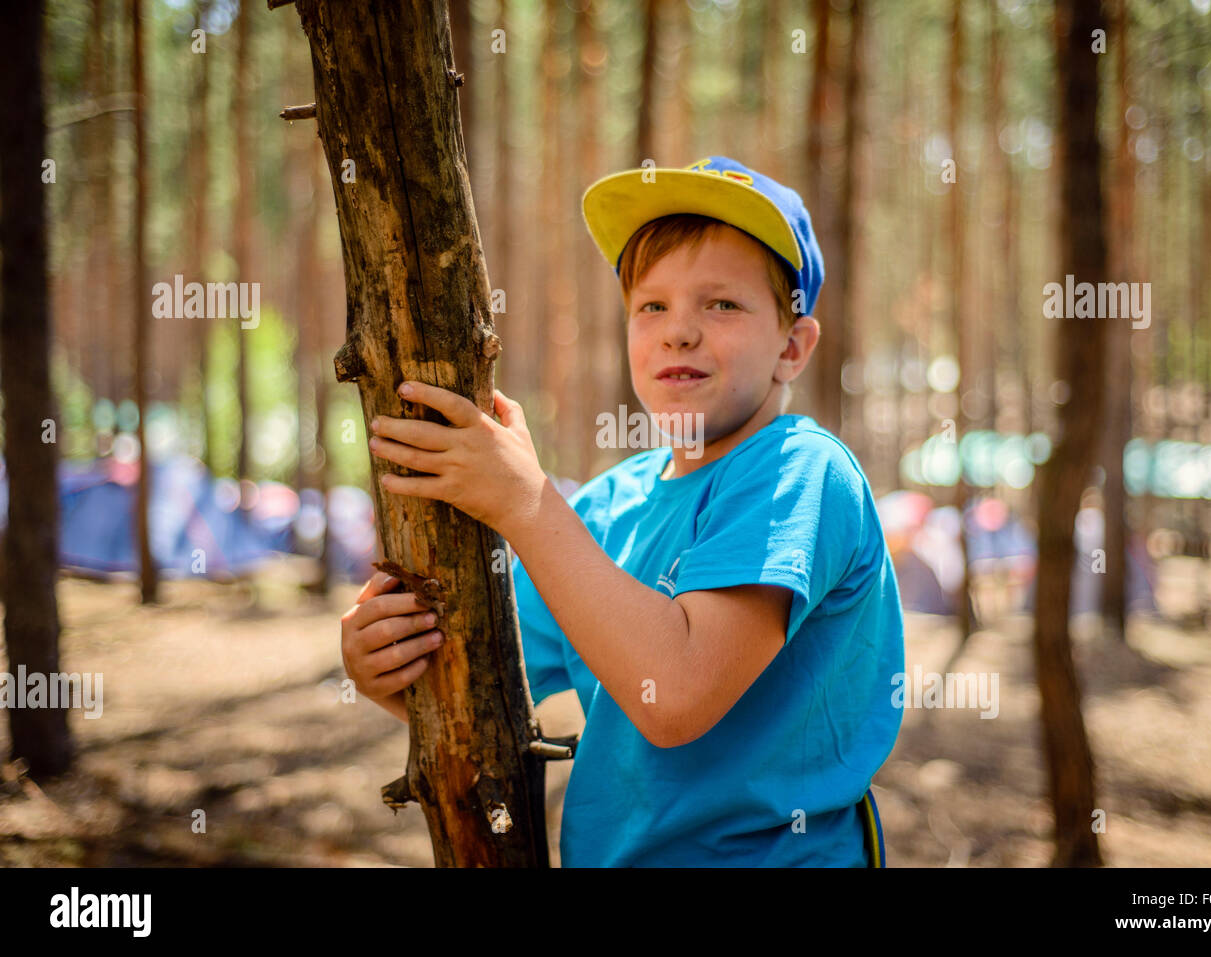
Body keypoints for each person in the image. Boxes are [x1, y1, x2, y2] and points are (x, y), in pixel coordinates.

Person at [340, 155, 904, 866]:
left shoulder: (801, 471)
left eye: (721, 304)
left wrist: (525, 500)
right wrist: (383, 663)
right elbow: (479, 687)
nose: (679, 331)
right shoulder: (609, 505)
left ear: (792, 345)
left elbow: (675, 694)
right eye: (652, 305)